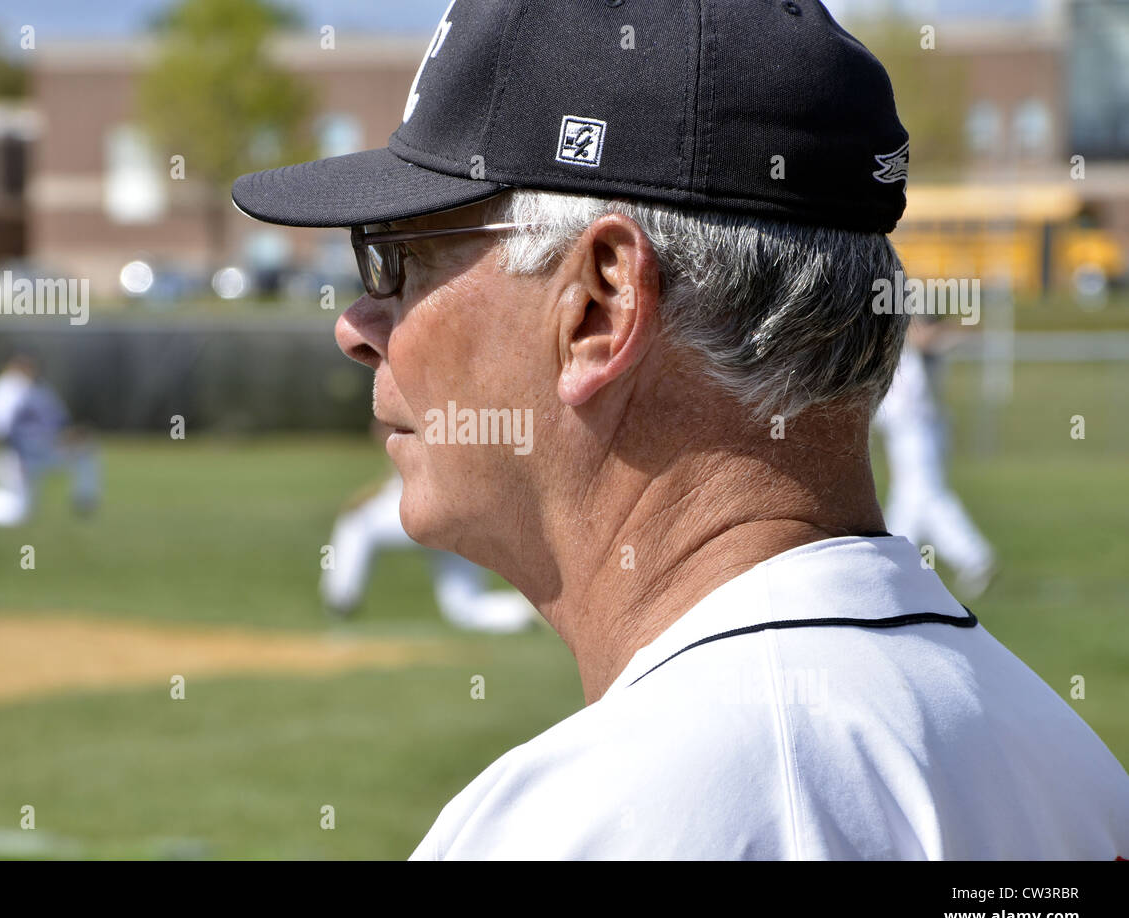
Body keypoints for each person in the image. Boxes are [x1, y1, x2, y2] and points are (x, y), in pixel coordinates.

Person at [231, 0, 1129, 858]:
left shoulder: (588, 825)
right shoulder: (1071, 767)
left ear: (599, 306)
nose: (357, 326)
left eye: (399, 257)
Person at [323, 422, 537, 634]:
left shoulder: (425, 420)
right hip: (462, 519)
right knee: (464, 609)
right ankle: (528, 611)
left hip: (432, 512)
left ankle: (340, 600)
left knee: (357, 524)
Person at [875, 317, 996, 597]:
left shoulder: (919, 347)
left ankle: (974, 557)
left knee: (928, 497)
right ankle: (895, 561)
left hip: (918, 434)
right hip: (904, 435)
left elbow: (928, 338)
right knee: (908, 500)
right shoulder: (899, 348)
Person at [0, 353, 100, 527]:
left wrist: (73, 435)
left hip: (47, 452)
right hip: (16, 458)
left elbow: (60, 424)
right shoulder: (3, 390)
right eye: (24, 364)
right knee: (18, 513)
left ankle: (84, 504)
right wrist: (20, 452)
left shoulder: (40, 389)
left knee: (85, 452)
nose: (29, 368)